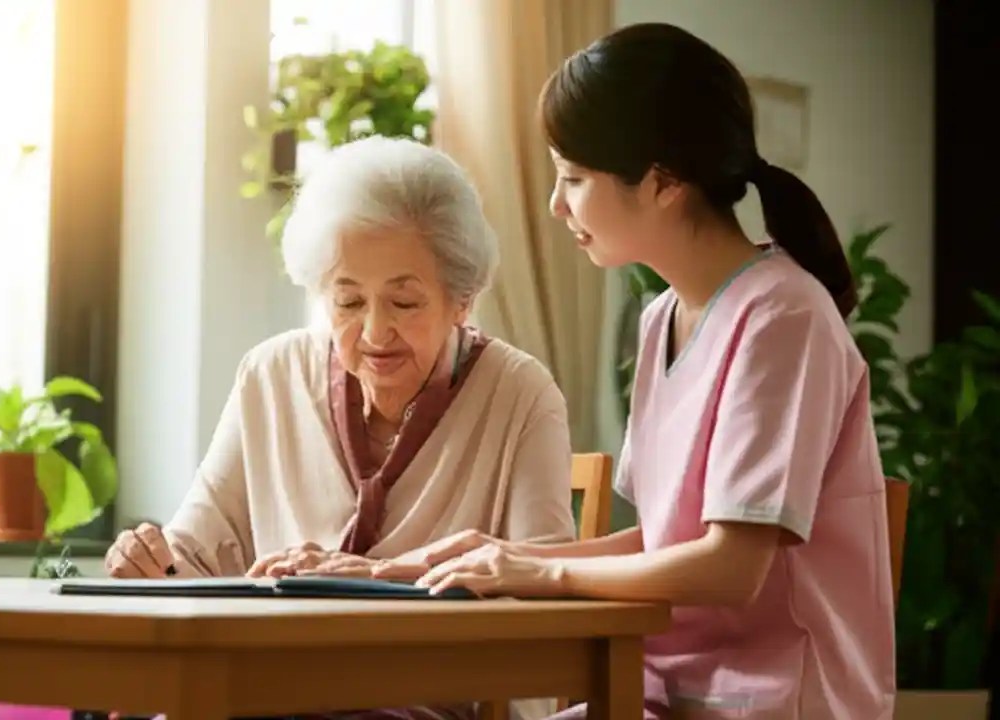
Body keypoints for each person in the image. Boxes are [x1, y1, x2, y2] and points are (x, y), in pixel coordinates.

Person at [372, 23, 896, 720]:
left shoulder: (783, 316)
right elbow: (665, 540)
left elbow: (731, 567)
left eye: (574, 178)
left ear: (663, 181)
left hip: (771, 701)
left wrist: (540, 571)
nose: (558, 205)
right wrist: (492, 555)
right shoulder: (661, 320)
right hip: (659, 692)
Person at [104, 135, 576, 720]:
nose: (375, 333)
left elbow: (546, 601)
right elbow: (194, 557)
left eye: (404, 303)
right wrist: (150, 560)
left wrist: (382, 581)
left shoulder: (521, 395)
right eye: (348, 302)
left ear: (462, 299)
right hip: (265, 697)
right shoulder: (271, 375)